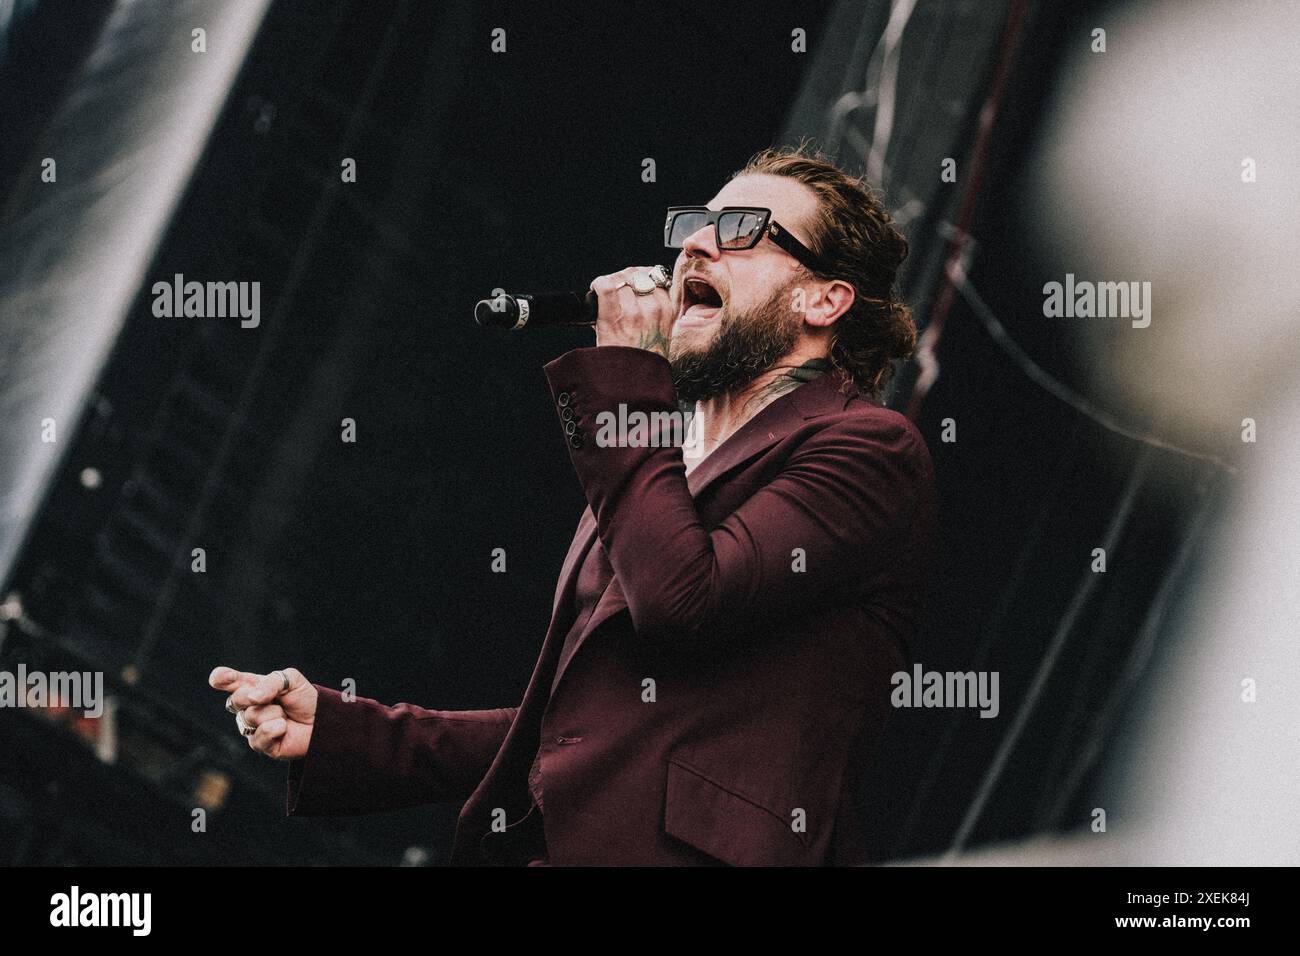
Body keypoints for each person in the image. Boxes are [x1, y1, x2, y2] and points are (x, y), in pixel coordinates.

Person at [210, 144, 936, 866]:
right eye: (692, 225)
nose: (694, 247)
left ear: (823, 298)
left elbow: (684, 601)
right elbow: (573, 729)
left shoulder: (869, 450)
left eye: (741, 228)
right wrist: (346, 733)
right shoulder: (662, 459)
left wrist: (626, 378)